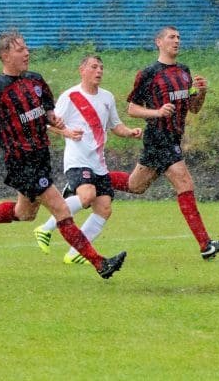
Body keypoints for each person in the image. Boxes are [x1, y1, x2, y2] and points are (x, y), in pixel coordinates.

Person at [0, 31, 127, 279]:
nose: (26, 52)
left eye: (26, 48)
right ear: (4, 56)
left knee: (25, 213)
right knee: (61, 210)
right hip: (21, 162)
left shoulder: (35, 81)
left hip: (40, 157)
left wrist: (56, 121)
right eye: (20, 49)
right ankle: (101, 264)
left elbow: (48, 113)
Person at [107, 26, 219, 260]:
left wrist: (202, 93)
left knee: (136, 185)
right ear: (159, 42)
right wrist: (157, 112)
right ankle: (206, 246)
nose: (176, 41)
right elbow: (132, 109)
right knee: (185, 184)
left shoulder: (184, 72)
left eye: (178, 38)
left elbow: (193, 108)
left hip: (173, 138)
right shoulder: (149, 73)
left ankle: (90, 179)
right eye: (171, 37)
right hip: (158, 138)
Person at [32, 54, 142, 265]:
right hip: (77, 159)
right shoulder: (70, 96)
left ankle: (74, 253)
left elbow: (115, 125)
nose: (99, 71)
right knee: (86, 196)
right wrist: (67, 133)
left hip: (98, 163)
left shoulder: (107, 97)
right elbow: (47, 123)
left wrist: (130, 132)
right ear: (82, 70)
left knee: (104, 208)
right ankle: (45, 228)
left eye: (101, 67)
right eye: (94, 67)